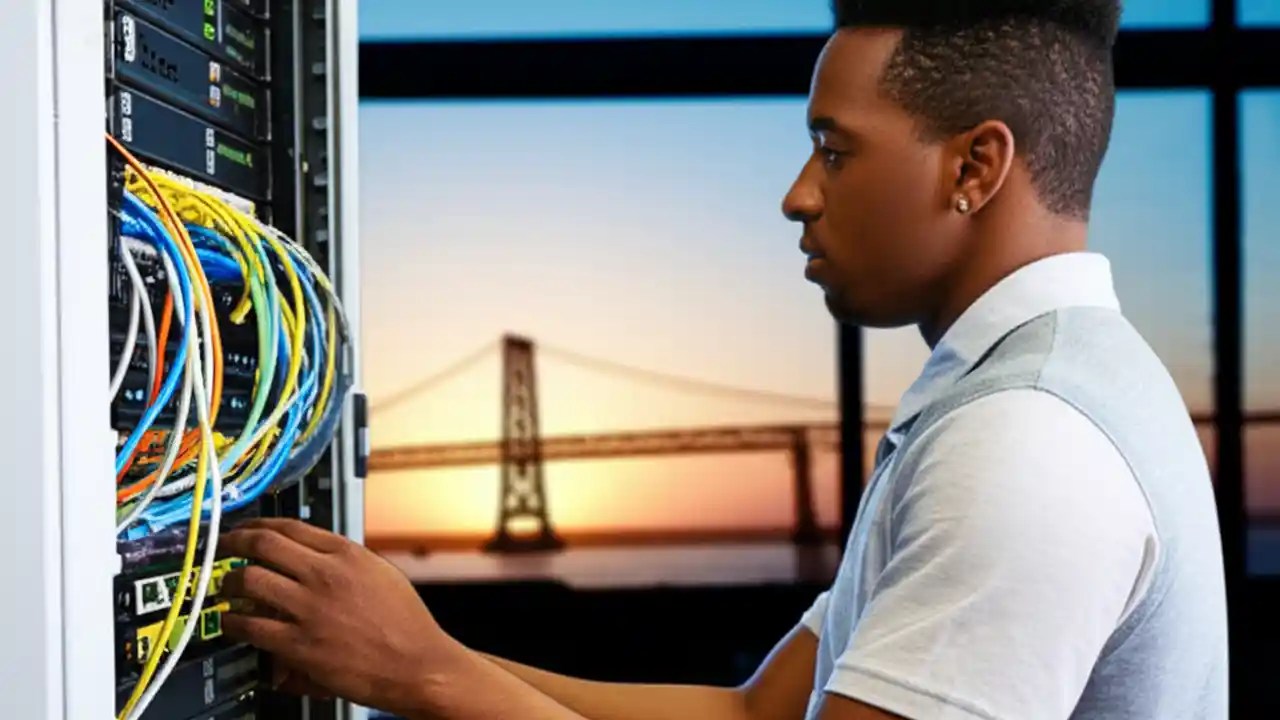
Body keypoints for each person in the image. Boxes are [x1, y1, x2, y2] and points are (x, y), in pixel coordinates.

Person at [217, 1, 1229, 718]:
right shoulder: (1042, 387)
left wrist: (422, 679)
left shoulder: (1024, 447)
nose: (797, 194)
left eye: (833, 150)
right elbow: (754, 715)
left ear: (973, 167)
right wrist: (413, 658)